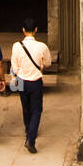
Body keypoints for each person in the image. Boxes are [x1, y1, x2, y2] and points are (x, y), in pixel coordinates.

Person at [10, 19, 52, 153]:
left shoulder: (16, 46)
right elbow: (48, 63)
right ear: (36, 30)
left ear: (23, 29)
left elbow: (14, 67)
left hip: (21, 79)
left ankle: (28, 129)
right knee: (36, 110)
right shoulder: (42, 46)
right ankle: (31, 139)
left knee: (25, 107)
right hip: (35, 81)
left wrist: (14, 78)